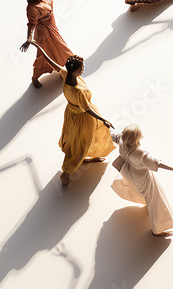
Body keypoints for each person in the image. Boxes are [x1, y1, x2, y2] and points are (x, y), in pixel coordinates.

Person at [27, 42, 114, 185]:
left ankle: (87, 155)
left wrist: (38, 46)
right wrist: (104, 119)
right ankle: (66, 173)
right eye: (81, 68)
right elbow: (87, 109)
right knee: (79, 143)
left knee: (87, 138)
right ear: (75, 71)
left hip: (72, 114)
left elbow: (52, 62)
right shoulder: (77, 90)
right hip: (82, 118)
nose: (83, 70)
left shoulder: (65, 73)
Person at [110, 124, 173, 236]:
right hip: (143, 178)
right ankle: (158, 229)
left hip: (130, 172)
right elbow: (156, 164)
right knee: (156, 201)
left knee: (148, 196)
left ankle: (151, 213)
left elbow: (113, 137)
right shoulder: (141, 154)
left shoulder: (122, 142)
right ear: (136, 137)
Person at [19, 0, 82, 88]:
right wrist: (29, 38)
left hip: (52, 25)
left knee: (60, 48)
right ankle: (35, 77)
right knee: (44, 54)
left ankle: (62, 68)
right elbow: (31, 24)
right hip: (44, 31)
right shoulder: (32, 8)